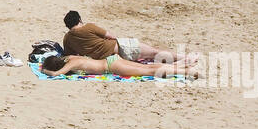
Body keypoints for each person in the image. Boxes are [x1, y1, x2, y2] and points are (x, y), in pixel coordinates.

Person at [60, 11, 190, 66]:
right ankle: (183, 58)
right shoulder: (88, 27)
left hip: (108, 60)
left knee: (150, 57)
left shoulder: (67, 38)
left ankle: (177, 61)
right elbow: (111, 36)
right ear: (80, 19)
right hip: (119, 48)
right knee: (154, 52)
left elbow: (70, 55)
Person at [40, 52, 197, 79]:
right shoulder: (70, 58)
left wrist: (45, 70)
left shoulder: (70, 64)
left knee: (149, 71)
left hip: (111, 67)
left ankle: (186, 71)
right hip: (111, 60)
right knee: (148, 67)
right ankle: (183, 68)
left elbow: (56, 74)